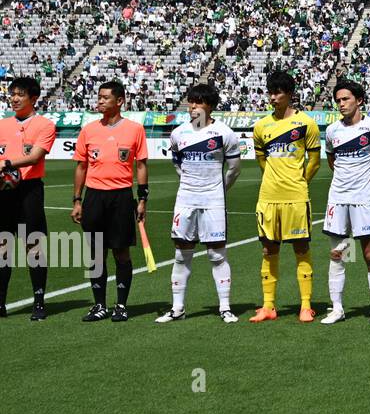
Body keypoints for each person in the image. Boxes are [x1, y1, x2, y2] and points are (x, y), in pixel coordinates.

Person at [156, 84, 242, 324]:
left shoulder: (224, 133)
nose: (192, 106)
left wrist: (219, 190)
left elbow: (234, 169)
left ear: (210, 106)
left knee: (216, 254)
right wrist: (189, 184)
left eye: (198, 102)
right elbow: (177, 164)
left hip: (213, 200)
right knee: (182, 254)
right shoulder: (179, 133)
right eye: (190, 102)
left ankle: (225, 307)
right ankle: (177, 308)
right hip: (185, 199)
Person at [71, 80, 149, 322]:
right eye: (99, 97)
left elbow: (141, 165)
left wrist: (143, 198)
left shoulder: (135, 129)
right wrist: (77, 200)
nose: (100, 101)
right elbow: (81, 166)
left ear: (120, 101)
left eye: (105, 97)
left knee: (121, 252)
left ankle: (121, 305)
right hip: (94, 197)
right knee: (96, 253)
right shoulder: (89, 130)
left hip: (122, 196)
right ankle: (99, 305)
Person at [250, 71, 321, 324]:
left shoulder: (306, 123)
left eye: (278, 92)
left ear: (290, 94)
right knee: (268, 249)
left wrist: (300, 181)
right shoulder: (261, 126)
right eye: (270, 92)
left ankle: (305, 305)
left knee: (301, 247)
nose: (273, 97)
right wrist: (274, 179)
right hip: (268, 197)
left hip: (296, 196)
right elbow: (261, 160)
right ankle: (268, 306)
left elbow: (314, 160)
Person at [321, 79, 370, 325]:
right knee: (339, 254)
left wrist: (367, 184)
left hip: (364, 200)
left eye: (346, 99)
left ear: (359, 100)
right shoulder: (332, 131)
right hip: (338, 199)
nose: (341, 104)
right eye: (338, 100)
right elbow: (332, 162)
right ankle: (338, 308)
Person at [0, 76, 57, 320]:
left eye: (20, 94)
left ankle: (39, 302)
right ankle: (0, 303)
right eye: (12, 93)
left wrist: (6, 163)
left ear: (33, 98)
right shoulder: (2, 124)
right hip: (3, 192)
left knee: (33, 246)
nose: (14, 98)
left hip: (29, 191)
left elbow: (34, 157)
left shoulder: (45, 125)